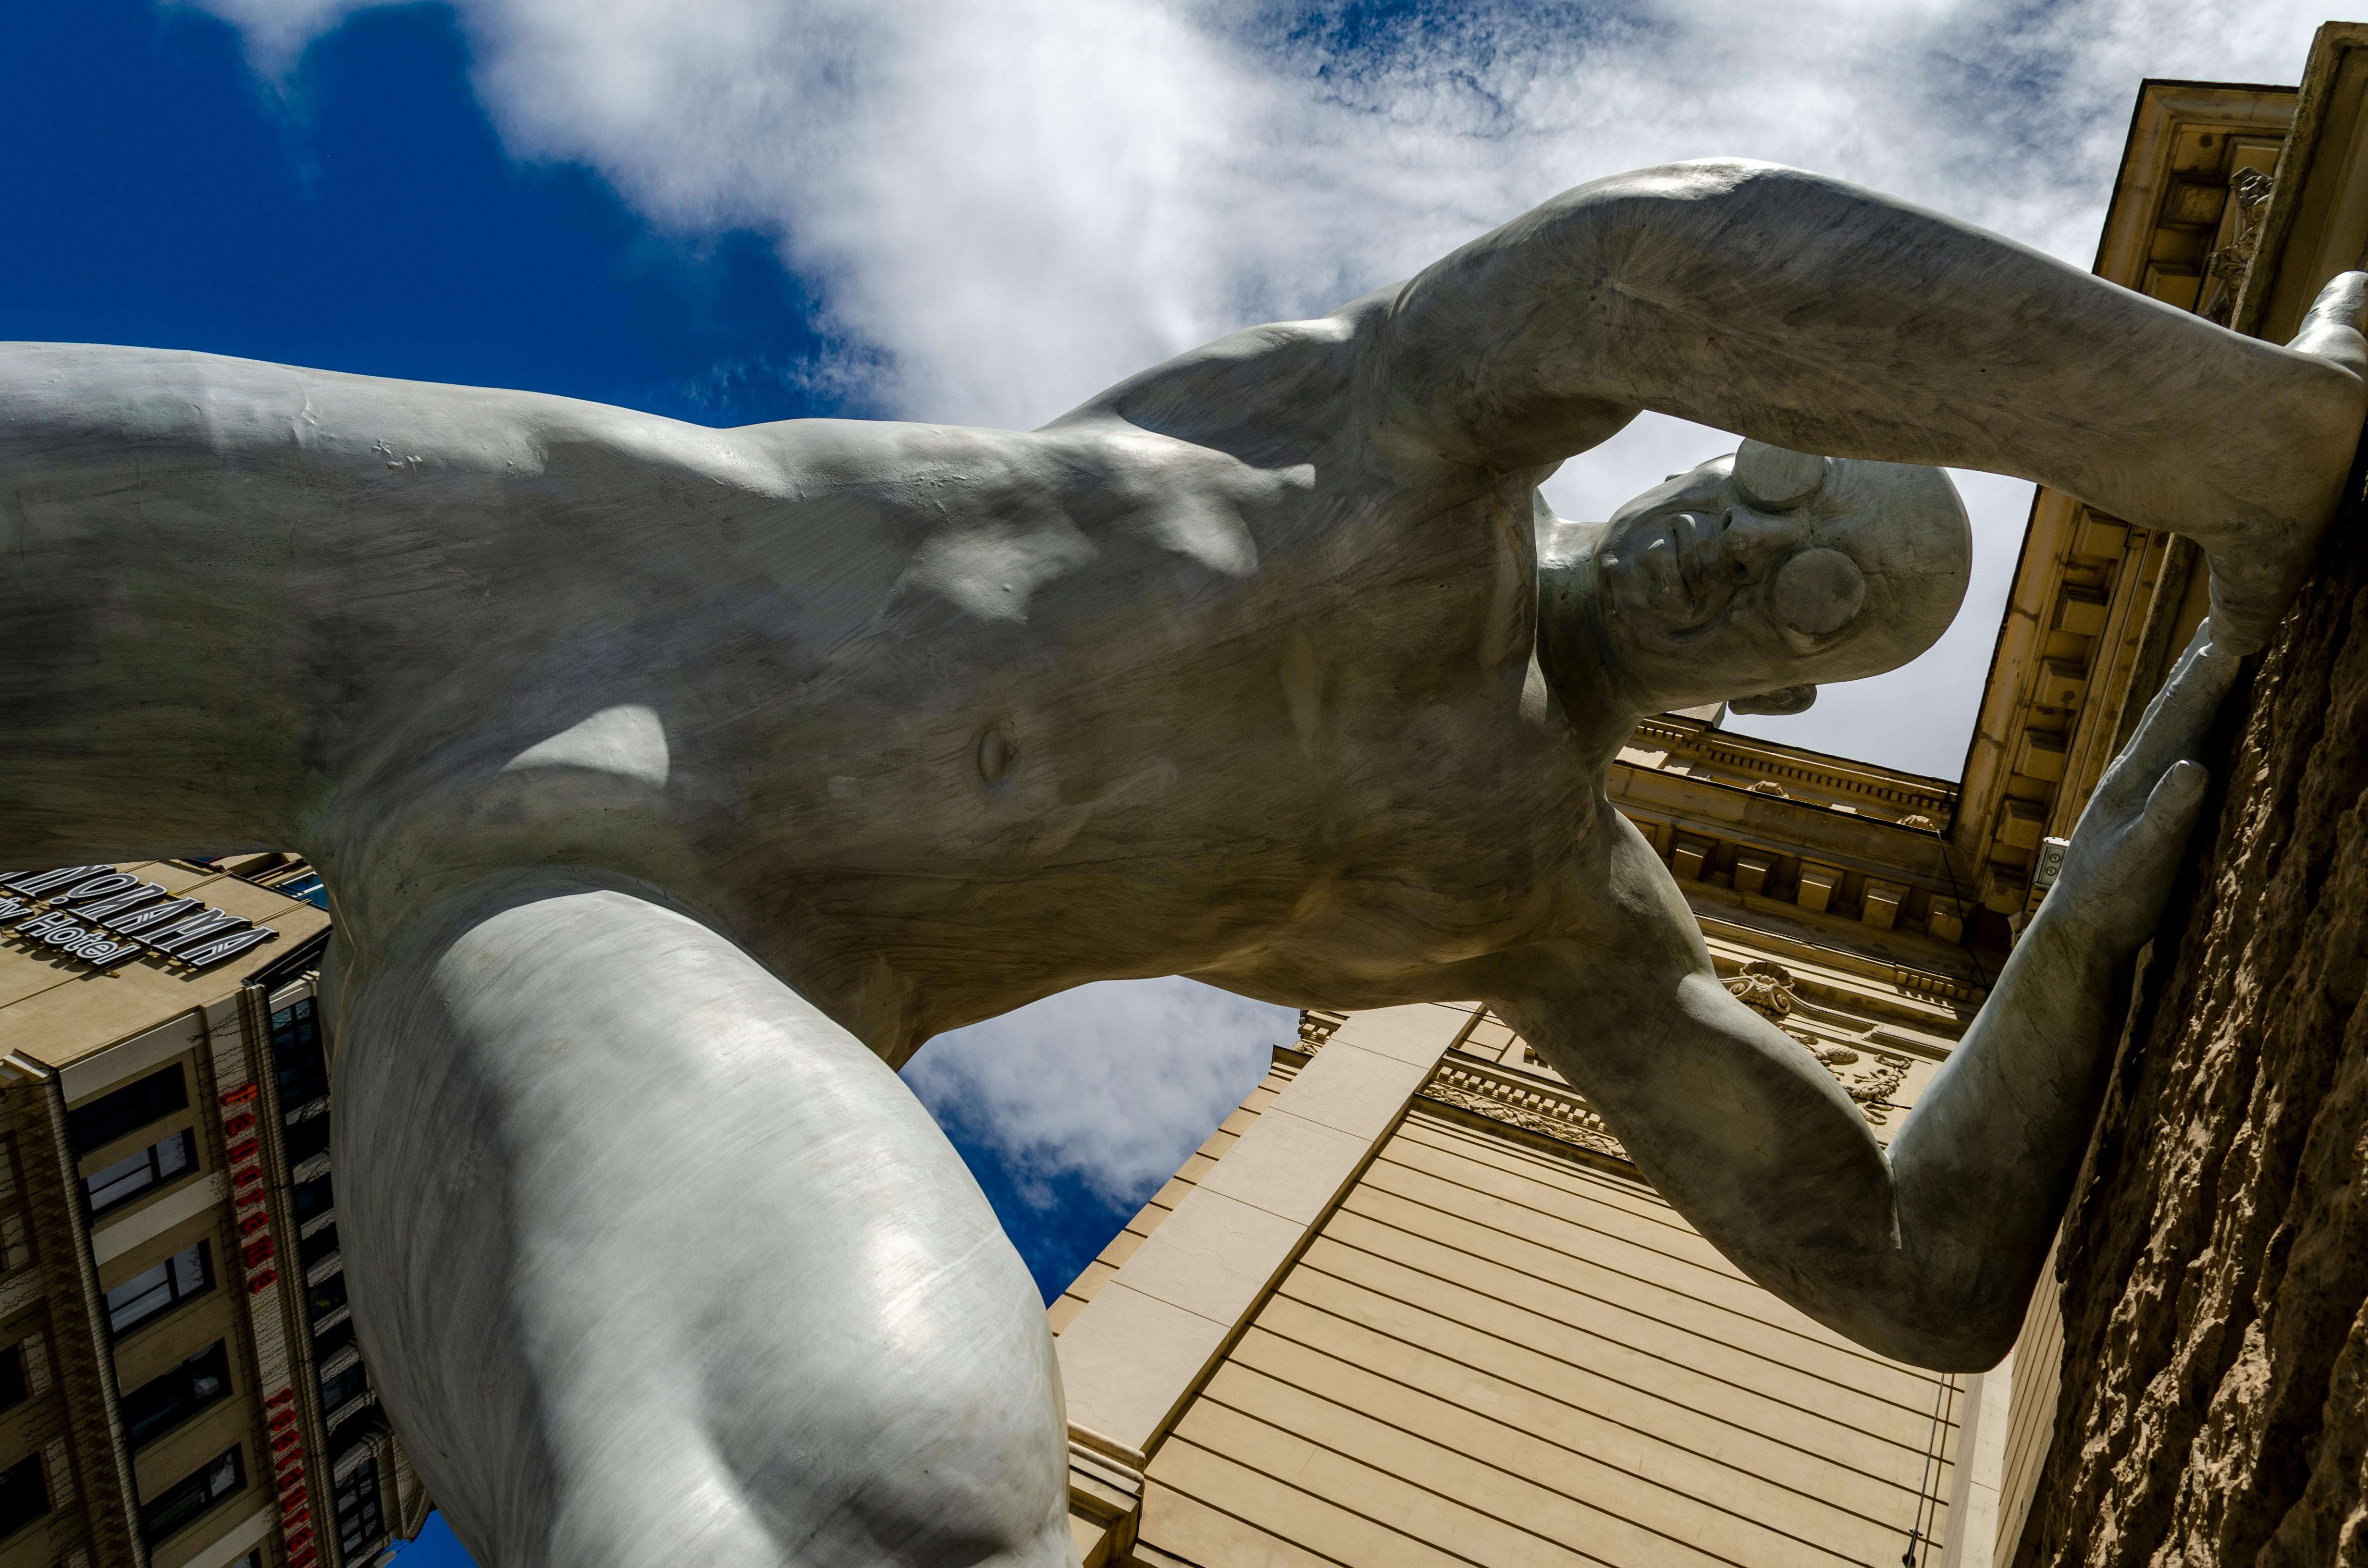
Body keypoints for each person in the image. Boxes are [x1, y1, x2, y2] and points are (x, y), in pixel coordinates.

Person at [2, 159, 2361, 1567]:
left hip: (646, 948)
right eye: (1761, 496)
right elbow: (1628, 266)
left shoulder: (1535, 895)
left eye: (1814, 603)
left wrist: (2105, 857)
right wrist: (2237, 439)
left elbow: (1916, 1276)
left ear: (1786, 703)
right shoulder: (1374, 445)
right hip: (488, 578)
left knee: (863, 1517)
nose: (1747, 567)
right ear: (1672, 472)